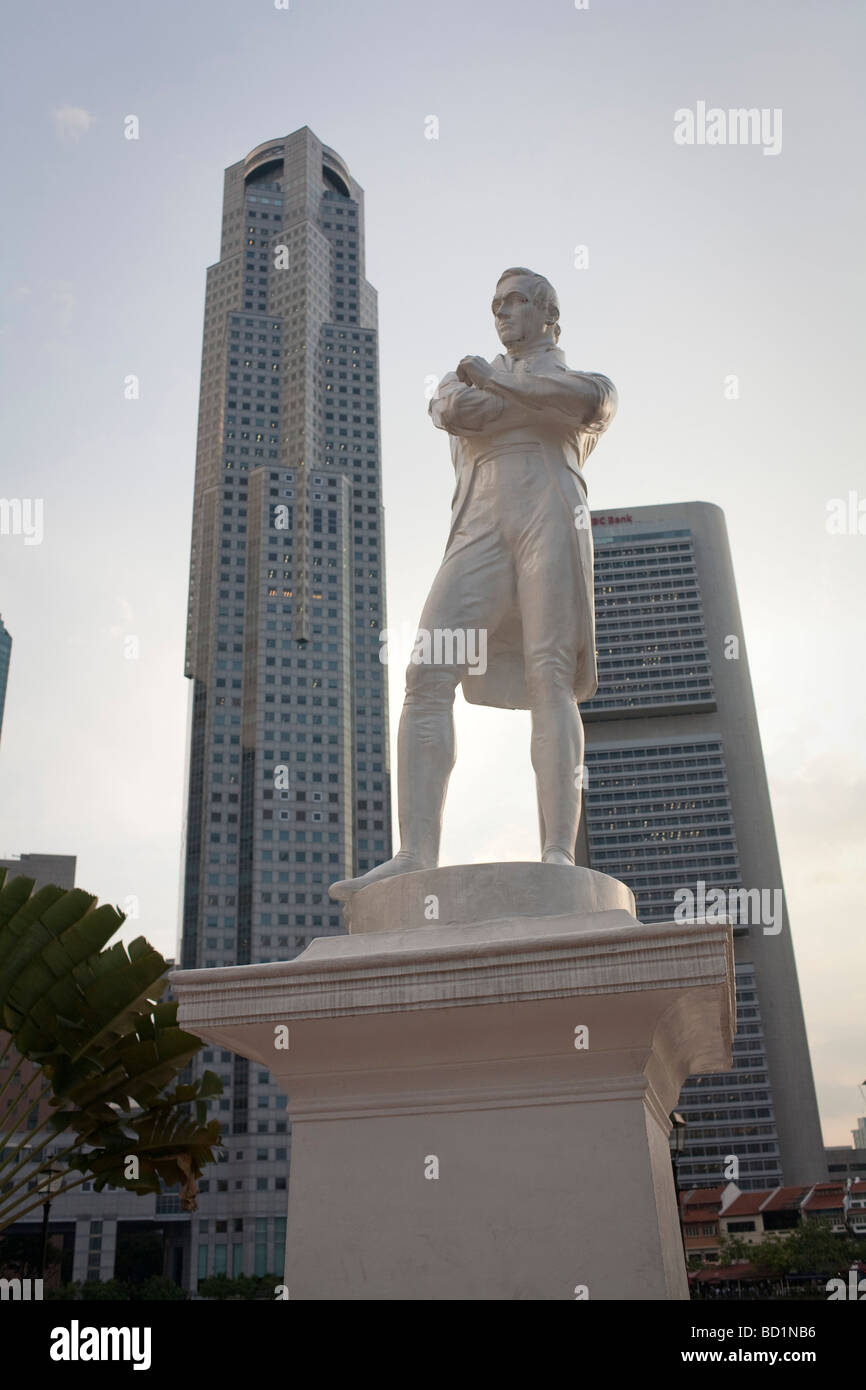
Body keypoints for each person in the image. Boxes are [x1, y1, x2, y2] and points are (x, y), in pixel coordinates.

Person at [330, 266, 617, 901]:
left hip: (551, 506)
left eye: (517, 302)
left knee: (551, 672)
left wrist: (501, 388)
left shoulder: (590, 383)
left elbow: (585, 404)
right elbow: (454, 410)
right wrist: (502, 393)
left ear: (549, 315)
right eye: (497, 304)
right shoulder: (465, 377)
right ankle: (413, 855)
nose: (503, 313)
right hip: (480, 517)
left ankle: (557, 853)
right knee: (427, 673)